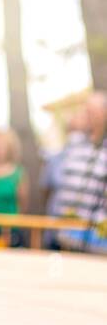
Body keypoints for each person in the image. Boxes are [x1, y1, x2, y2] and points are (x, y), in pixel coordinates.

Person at [47, 92, 107, 252]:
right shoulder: (75, 142)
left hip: (97, 238)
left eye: (92, 111)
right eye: (86, 111)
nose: (87, 116)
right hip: (66, 233)